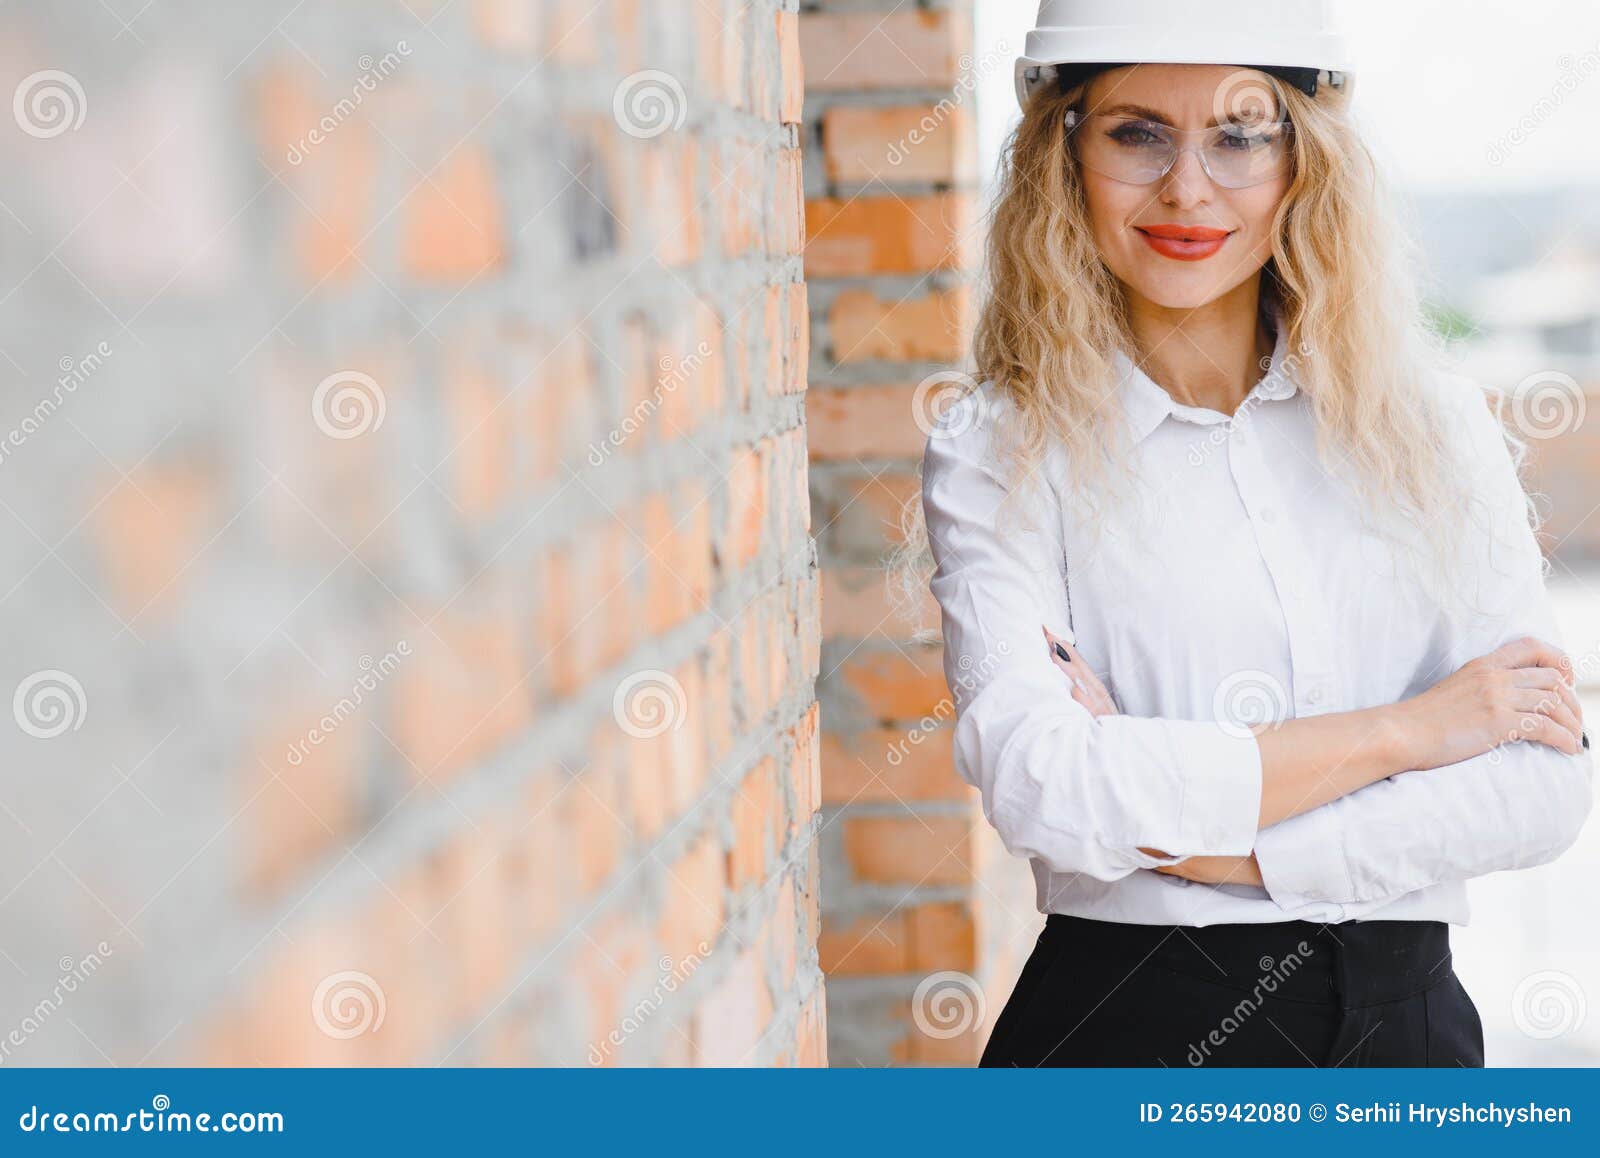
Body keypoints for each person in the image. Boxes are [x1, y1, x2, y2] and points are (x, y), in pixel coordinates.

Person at [912, 0, 1594, 1067]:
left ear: (1301, 162)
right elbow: (1044, 781)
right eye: (1136, 133)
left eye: (1239, 135)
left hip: (1409, 1043)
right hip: (1123, 1032)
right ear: (1065, 153)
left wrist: (1217, 856)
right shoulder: (998, 448)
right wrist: (1409, 732)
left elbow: (1541, 789)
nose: (1188, 188)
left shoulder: (1433, 427)